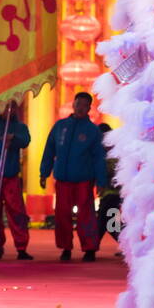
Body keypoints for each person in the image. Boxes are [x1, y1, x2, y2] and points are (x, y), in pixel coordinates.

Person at [39, 91, 107, 261]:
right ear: (73, 105)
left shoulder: (93, 131)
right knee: (62, 215)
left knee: (86, 215)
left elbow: (99, 157)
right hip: (62, 178)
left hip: (84, 179)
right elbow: (49, 150)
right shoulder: (60, 126)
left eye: (84, 105)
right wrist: (44, 172)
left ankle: (90, 248)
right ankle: (65, 248)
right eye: (78, 104)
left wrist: (101, 181)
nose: (80, 108)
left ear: (89, 108)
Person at [0, 102, 33, 261]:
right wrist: (1, 145)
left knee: (17, 211)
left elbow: (25, 140)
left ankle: (22, 246)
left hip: (10, 174)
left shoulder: (19, 127)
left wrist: (13, 139)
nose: (9, 110)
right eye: (7, 106)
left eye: (13, 107)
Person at [97, 122, 121, 243]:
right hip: (111, 194)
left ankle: (92, 247)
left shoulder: (113, 155)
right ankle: (124, 244)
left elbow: (115, 174)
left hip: (112, 193)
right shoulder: (109, 153)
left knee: (102, 220)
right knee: (112, 222)